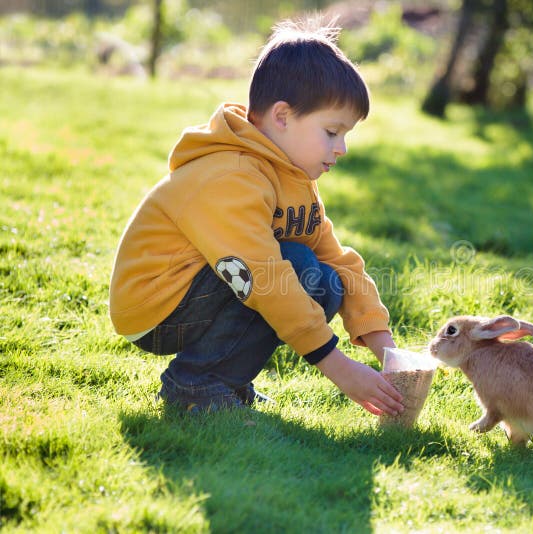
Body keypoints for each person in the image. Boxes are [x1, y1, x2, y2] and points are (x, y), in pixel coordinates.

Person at [109, 17, 404, 417]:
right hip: (157, 304)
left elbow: (337, 257)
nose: (343, 148)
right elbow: (263, 276)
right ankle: (195, 385)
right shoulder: (232, 175)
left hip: (207, 287)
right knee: (294, 269)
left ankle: (225, 379)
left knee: (325, 279)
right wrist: (337, 365)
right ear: (282, 117)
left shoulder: (292, 176)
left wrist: (384, 344)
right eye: (332, 131)